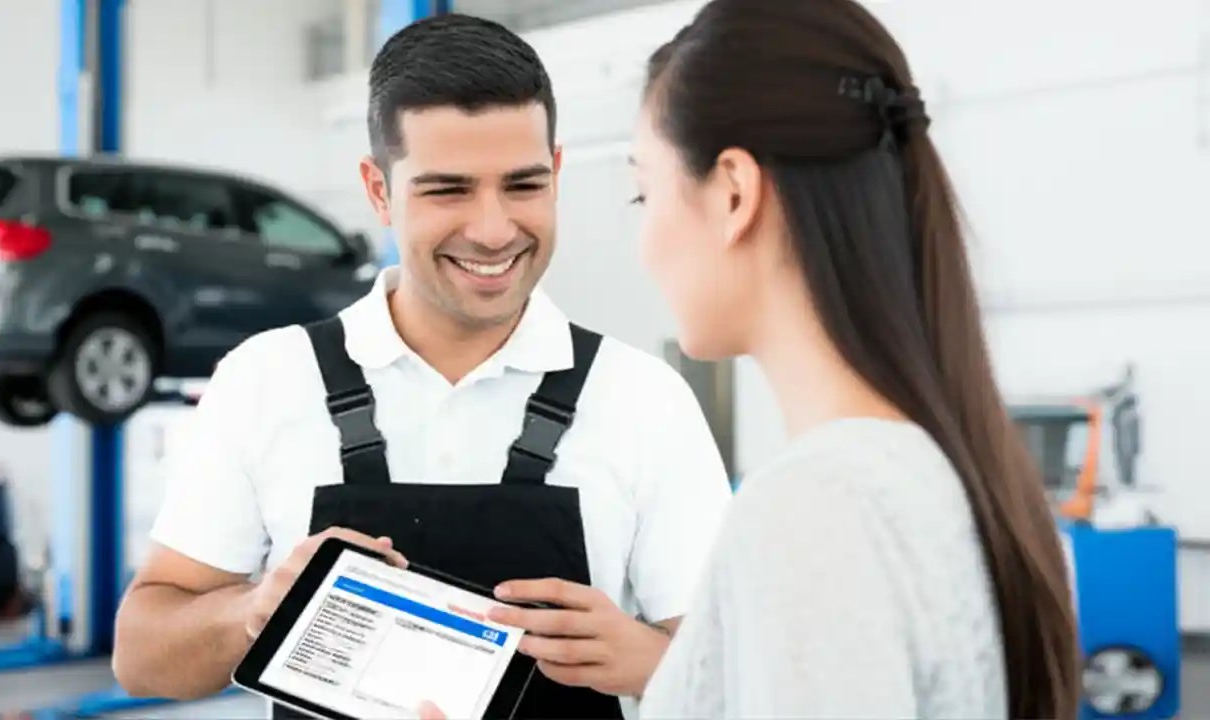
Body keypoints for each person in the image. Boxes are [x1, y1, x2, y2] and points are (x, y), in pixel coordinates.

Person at [429, 1, 1080, 719]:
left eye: (645, 191)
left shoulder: (814, 510)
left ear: (734, 193)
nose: (645, 239)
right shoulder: (963, 483)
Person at [110, 13, 732, 720]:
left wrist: (647, 660)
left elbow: (743, 681)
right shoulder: (267, 380)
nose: (494, 230)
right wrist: (252, 610)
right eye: (449, 190)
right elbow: (141, 656)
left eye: (523, 186)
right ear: (379, 190)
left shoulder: (644, 399)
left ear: (557, 173)